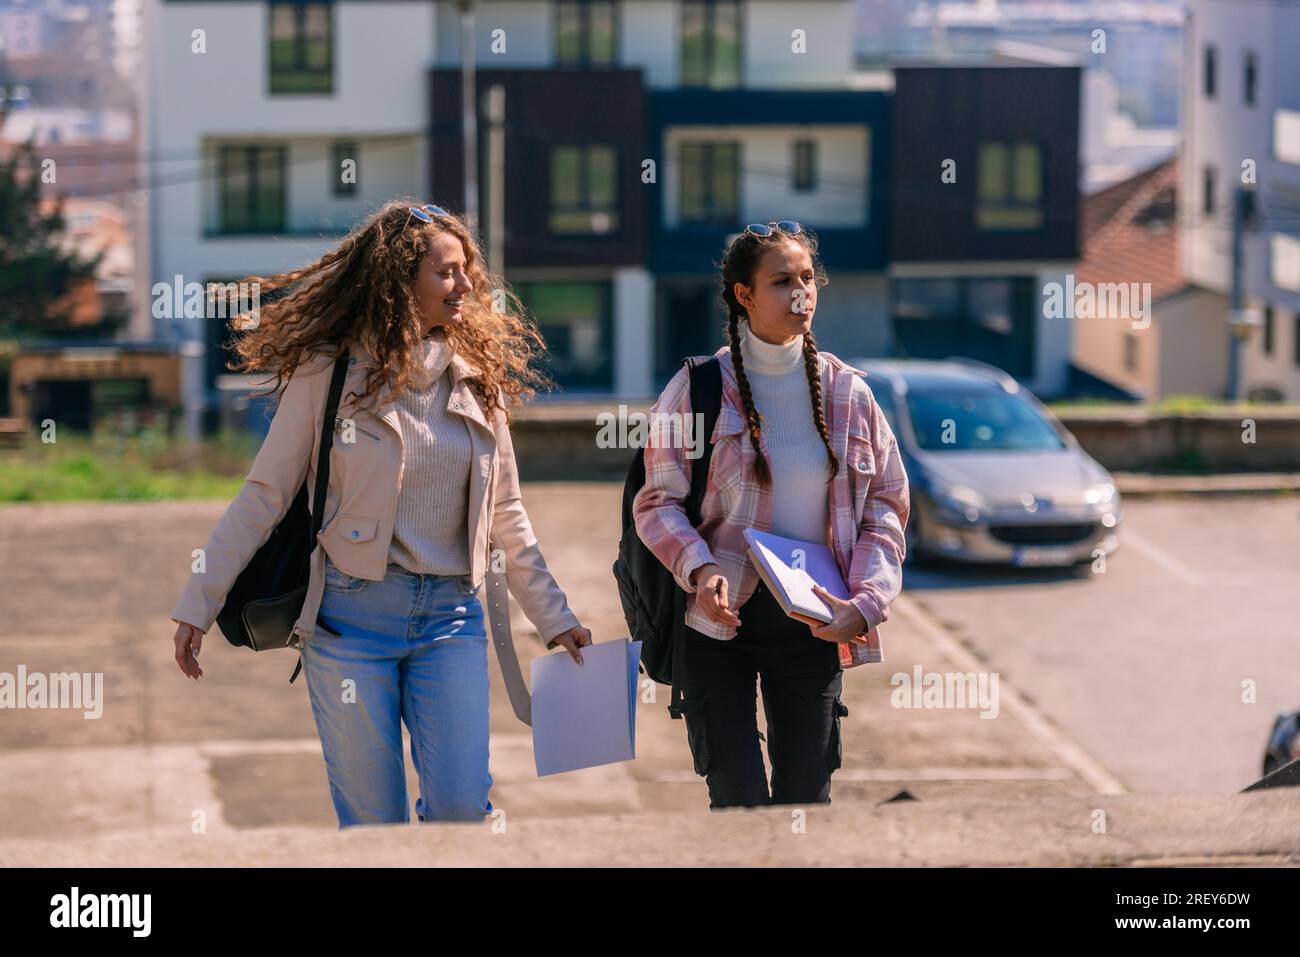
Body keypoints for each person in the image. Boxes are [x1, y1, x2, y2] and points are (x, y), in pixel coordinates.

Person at [168, 200, 591, 828]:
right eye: (447, 272)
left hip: (451, 617)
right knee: (373, 827)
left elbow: (508, 513)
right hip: (348, 622)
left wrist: (556, 619)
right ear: (400, 281)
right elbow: (264, 494)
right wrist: (198, 602)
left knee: (459, 810)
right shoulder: (328, 373)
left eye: (467, 270)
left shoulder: (479, 381)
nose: (467, 285)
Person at [632, 220, 909, 809]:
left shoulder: (850, 393)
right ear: (744, 295)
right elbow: (656, 501)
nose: (801, 293)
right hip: (718, 621)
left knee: (806, 803)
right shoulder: (698, 388)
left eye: (808, 278)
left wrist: (866, 603)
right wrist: (699, 570)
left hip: (816, 625)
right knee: (740, 807)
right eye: (782, 281)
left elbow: (886, 505)